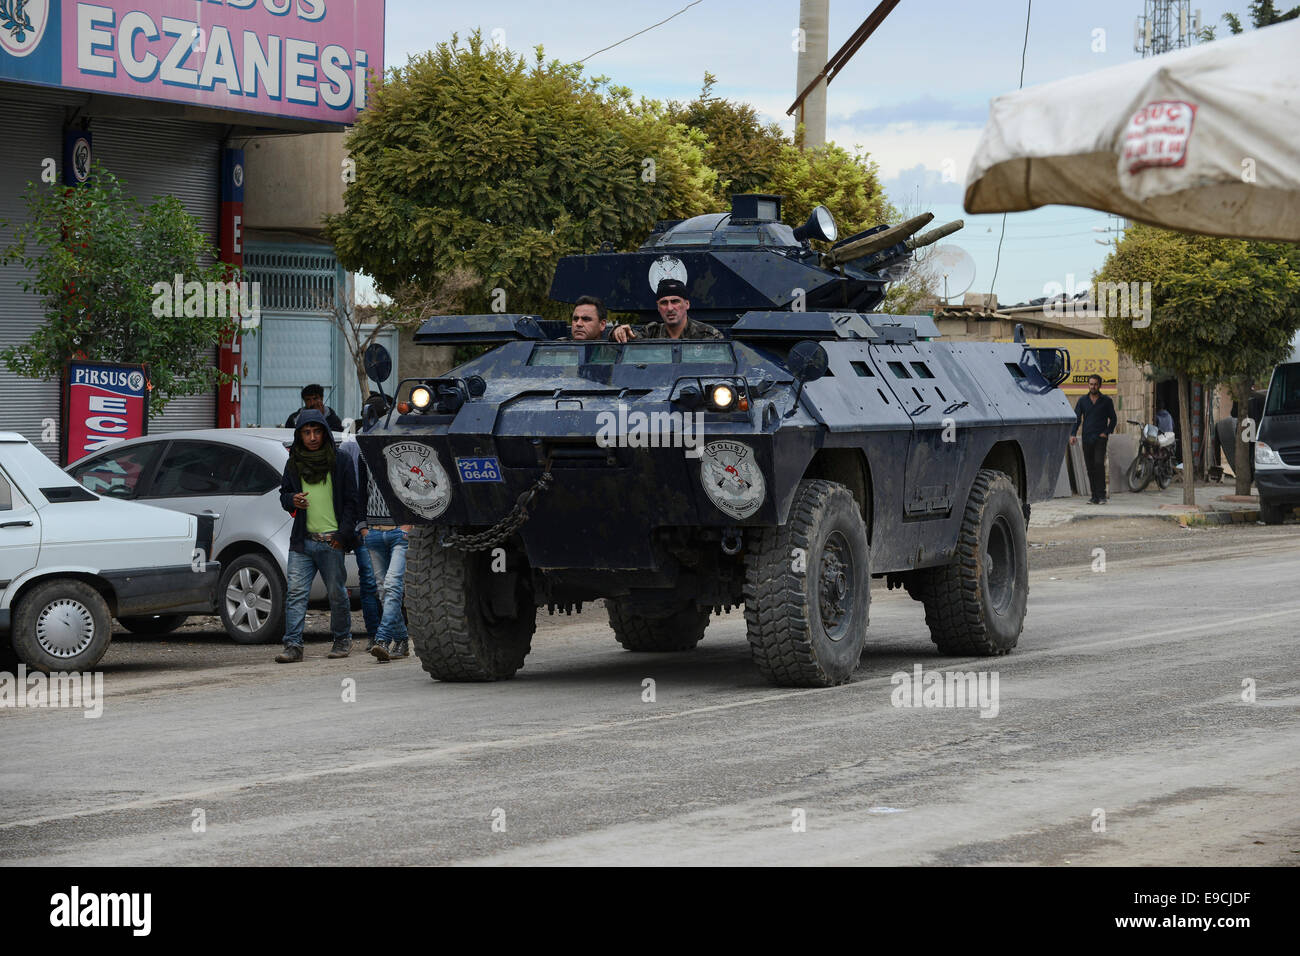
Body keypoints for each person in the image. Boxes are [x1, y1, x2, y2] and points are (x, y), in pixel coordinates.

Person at [274, 410, 358, 662]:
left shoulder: (340, 461)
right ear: (300, 435)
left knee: (336, 593)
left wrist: (342, 536)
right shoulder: (294, 462)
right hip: (303, 541)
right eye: (307, 432)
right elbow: (284, 495)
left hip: (331, 541)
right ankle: (293, 645)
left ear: (324, 432)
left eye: (317, 431)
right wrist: (292, 499)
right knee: (296, 593)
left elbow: (352, 503)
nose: (312, 437)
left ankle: (342, 639)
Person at [355, 397, 412, 662]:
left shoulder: (403, 448)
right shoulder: (364, 452)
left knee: (391, 587)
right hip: (374, 531)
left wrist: (408, 524)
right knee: (384, 590)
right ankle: (401, 640)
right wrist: (364, 528)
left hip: (399, 532)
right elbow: (360, 492)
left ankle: (382, 639)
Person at [336, 430, 382, 651]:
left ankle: (389, 633)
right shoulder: (351, 447)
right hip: (364, 525)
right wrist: (360, 526)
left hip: (387, 525)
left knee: (387, 584)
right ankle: (375, 635)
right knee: (370, 582)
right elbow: (353, 491)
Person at [611, 279, 724, 342]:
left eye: (675, 301)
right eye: (664, 303)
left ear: (687, 304)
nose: (670, 308)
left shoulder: (708, 335)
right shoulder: (651, 332)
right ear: (658, 307)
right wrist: (618, 330)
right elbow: (628, 336)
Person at [1069, 374, 1118, 504]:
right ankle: (1094, 496)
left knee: (1098, 464)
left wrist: (1106, 432)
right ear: (1088, 385)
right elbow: (1077, 418)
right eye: (1091, 384)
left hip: (1100, 438)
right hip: (1087, 438)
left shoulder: (1106, 401)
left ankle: (1102, 496)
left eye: (1095, 384)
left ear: (1099, 385)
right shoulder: (1082, 401)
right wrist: (1073, 434)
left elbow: (1113, 419)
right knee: (1090, 467)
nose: (1093, 386)